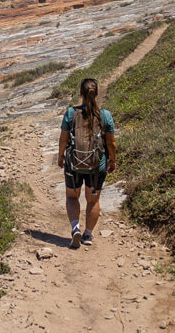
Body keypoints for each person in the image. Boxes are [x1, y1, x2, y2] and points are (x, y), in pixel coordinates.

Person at [57, 77, 116, 248]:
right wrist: (112, 160)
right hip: (97, 165)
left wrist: (60, 156)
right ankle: (88, 234)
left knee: (71, 196)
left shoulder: (71, 113)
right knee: (93, 200)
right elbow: (111, 143)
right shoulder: (105, 115)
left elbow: (63, 139)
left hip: (74, 164)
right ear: (96, 94)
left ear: (81, 94)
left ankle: (75, 228)